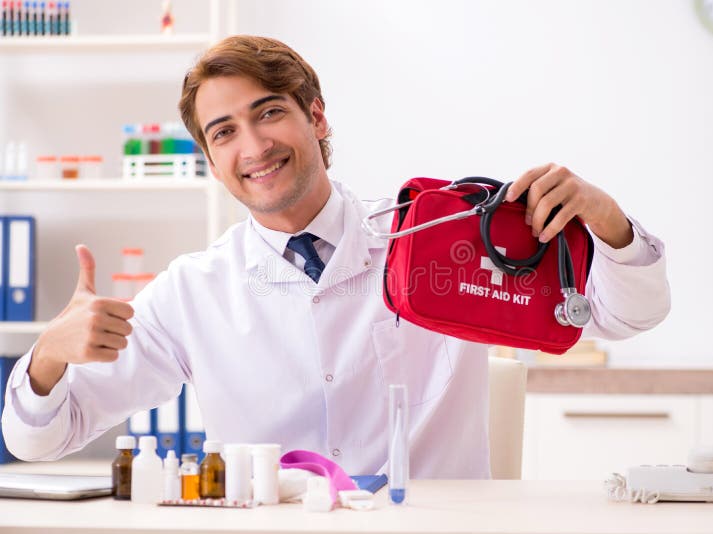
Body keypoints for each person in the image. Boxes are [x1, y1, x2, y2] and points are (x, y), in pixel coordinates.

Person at [2, 36, 670, 478]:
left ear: (316, 118)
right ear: (210, 160)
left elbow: (623, 315)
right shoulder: (192, 291)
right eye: (225, 132)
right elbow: (36, 440)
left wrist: (605, 222)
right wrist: (49, 356)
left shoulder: (441, 240)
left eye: (269, 113)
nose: (253, 145)